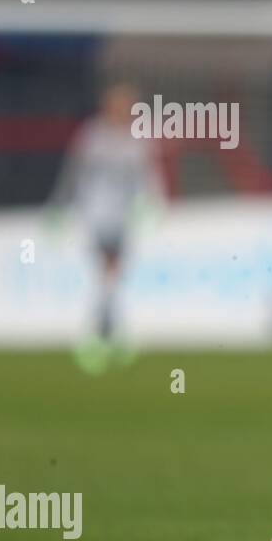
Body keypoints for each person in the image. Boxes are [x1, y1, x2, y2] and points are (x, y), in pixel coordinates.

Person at [49, 81, 166, 373]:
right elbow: (73, 172)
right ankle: (102, 336)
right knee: (107, 271)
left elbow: (148, 175)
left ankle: (104, 335)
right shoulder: (92, 135)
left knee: (112, 274)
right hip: (95, 213)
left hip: (124, 215)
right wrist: (60, 205)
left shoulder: (140, 138)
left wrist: (153, 202)